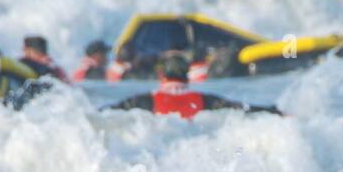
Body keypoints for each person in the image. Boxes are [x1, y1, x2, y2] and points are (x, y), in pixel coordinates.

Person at [102, 54, 279, 118]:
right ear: (187, 77)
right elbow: (240, 107)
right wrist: (273, 110)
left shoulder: (146, 100)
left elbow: (109, 111)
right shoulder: (203, 99)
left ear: (161, 76)